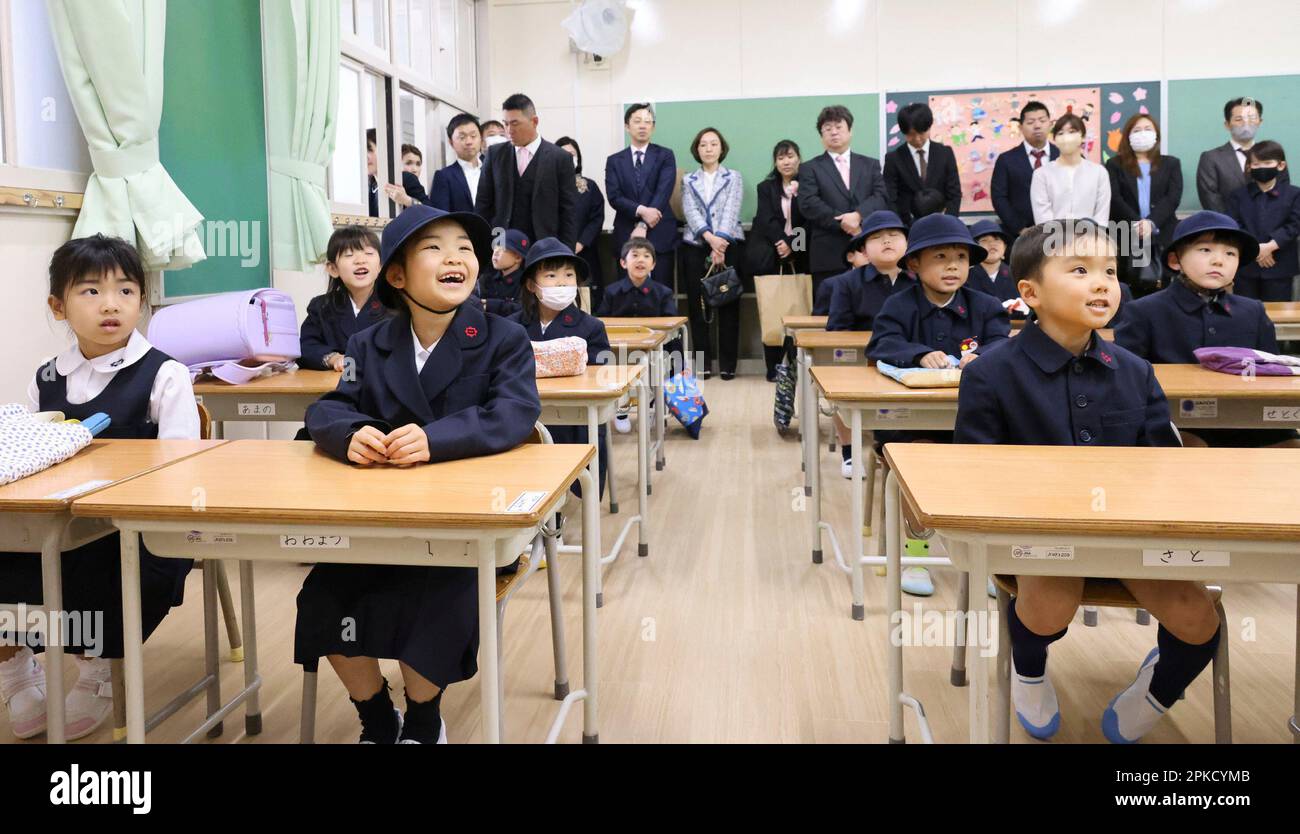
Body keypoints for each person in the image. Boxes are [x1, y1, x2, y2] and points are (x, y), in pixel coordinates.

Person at [956, 219, 1221, 744]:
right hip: (1039, 535)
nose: (1103, 283)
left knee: (1198, 619)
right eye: (1080, 270)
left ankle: (1158, 690)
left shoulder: (1135, 370)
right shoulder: (989, 372)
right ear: (1029, 292)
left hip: (1131, 534)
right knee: (1050, 604)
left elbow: (1165, 465)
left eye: (1110, 271)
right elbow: (975, 474)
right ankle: (1028, 668)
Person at [300, 205, 541, 744]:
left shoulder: (504, 338)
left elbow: (514, 413)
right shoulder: (369, 344)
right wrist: (351, 432)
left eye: (465, 248)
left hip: (461, 528)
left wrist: (437, 439)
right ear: (397, 275)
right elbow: (331, 407)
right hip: (379, 524)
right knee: (323, 602)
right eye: (434, 247)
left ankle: (426, 721)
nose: (455, 256)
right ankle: (377, 719)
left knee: (430, 607)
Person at [0, 234, 199, 741]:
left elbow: (181, 471)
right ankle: (16, 670)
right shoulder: (46, 376)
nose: (111, 304)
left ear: (142, 300)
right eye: (90, 292)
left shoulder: (165, 374)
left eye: (126, 291)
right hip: (58, 523)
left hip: (135, 528)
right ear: (57, 306)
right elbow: (31, 453)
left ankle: (95, 675)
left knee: (106, 568)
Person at [866, 214, 1011, 596]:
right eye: (941, 257)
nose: (952, 266)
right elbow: (881, 345)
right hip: (911, 422)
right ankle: (916, 553)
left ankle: (983, 558)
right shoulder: (898, 306)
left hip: (976, 419)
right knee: (920, 463)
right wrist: (919, 353)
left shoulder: (985, 305)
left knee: (990, 464)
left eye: (961, 258)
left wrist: (982, 355)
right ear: (914, 264)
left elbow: (1004, 342)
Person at [1116, 211, 1300, 447]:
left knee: (1290, 451)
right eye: (1205, 250)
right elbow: (1126, 381)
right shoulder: (1144, 311)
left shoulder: (1252, 311)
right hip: (1175, 420)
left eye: (1230, 253)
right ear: (1175, 260)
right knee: (1193, 448)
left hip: (1247, 421)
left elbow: (1273, 373)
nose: (1219, 260)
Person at [508, 238, 611, 495]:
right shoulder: (512, 327)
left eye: (569, 275)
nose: (563, 282)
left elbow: (601, 377)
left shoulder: (591, 327)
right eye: (552, 275)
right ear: (532, 285)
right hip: (526, 412)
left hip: (574, 416)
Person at [797, 104, 889, 298]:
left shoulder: (870, 164)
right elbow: (808, 203)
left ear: (850, 130)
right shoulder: (809, 168)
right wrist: (845, 223)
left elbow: (881, 197)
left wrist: (858, 216)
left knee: (871, 309)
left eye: (838, 127)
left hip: (868, 248)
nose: (834, 132)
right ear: (821, 135)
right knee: (830, 314)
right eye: (827, 128)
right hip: (828, 253)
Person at [680, 127, 745, 380]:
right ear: (697, 150)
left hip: (729, 245)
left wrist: (721, 244)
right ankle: (703, 364)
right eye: (703, 145)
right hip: (696, 245)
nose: (708, 149)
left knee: (729, 304)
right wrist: (709, 238)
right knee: (698, 306)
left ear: (722, 148)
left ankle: (728, 365)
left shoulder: (734, 177)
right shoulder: (688, 180)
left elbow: (732, 209)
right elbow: (690, 211)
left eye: (713, 144)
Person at [475, 93, 580, 247]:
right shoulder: (495, 154)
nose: (509, 130)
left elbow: (568, 211)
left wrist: (565, 252)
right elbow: (483, 204)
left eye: (515, 123)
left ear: (534, 121)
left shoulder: (560, 158)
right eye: (506, 123)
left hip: (544, 243)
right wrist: (483, 245)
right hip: (502, 244)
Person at [1106, 114, 1183, 293]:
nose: (1143, 133)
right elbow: (1115, 198)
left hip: (1162, 234)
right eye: (1137, 130)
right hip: (1126, 234)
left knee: (1162, 290)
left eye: (1148, 129)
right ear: (1128, 135)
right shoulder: (1114, 164)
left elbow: (1173, 197)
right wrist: (1138, 223)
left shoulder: (1171, 163)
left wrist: (1151, 222)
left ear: (1156, 134)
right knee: (1127, 289)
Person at [750, 139, 807, 379]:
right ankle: (773, 367)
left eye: (790, 156)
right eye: (781, 157)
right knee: (772, 309)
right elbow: (765, 218)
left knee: (800, 309)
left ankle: (797, 365)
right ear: (775, 161)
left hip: (802, 250)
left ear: (799, 158)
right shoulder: (766, 187)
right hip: (772, 252)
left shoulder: (808, 184)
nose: (786, 161)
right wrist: (782, 242)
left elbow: (808, 219)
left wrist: (793, 246)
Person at [605, 103, 679, 289]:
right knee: (627, 295)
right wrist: (641, 211)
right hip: (627, 234)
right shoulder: (614, 160)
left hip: (659, 233)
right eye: (637, 121)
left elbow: (664, 191)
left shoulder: (665, 155)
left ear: (653, 127)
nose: (643, 125)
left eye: (648, 122)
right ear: (627, 126)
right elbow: (614, 196)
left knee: (663, 292)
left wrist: (643, 224)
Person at [300, 226, 390, 371]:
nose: (360, 260)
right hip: (337, 386)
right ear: (333, 269)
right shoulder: (321, 307)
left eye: (368, 253)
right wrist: (332, 358)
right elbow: (305, 347)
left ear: (380, 266)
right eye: (349, 255)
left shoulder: (396, 304)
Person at [1226, 140, 1300, 301]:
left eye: (1267, 163)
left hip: (1279, 264)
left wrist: (1270, 246)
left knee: (1277, 315)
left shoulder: (1294, 194)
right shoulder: (1237, 196)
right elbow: (1234, 225)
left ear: (1280, 165)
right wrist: (1257, 249)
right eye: (1256, 164)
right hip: (1246, 264)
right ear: (1249, 167)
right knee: (1245, 312)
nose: (1262, 168)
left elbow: (1294, 225)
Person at [1196, 97, 1289, 214]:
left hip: (1270, 227)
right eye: (1239, 119)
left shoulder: (1274, 154)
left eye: (1252, 118)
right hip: (1229, 228)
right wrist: (1232, 227)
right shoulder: (1211, 158)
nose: (1246, 124)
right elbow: (1210, 199)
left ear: (1260, 122)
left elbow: (1284, 193)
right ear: (1227, 124)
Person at [884, 103, 962, 223]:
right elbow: (891, 198)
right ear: (903, 132)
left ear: (929, 127)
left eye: (921, 133)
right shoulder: (893, 158)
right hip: (908, 226)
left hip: (943, 223)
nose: (917, 139)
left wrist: (948, 221)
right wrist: (906, 225)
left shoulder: (945, 153)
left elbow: (954, 193)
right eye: (911, 134)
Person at [990, 101, 1059, 237]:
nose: (1037, 125)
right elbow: (999, 198)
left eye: (1042, 120)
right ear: (1021, 127)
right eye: (1031, 122)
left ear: (1050, 124)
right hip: (1020, 236)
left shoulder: (1064, 156)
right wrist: (1020, 229)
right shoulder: (1006, 160)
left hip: (1062, 234)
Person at [555, 136, 608, 310]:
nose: (568, 158)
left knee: (589, 299)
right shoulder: (545, 187)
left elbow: (597, 217)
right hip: (555, 253)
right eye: (563, 154)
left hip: (585, 253)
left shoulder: (589, 187)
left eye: (572, 154)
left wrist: (581, 243)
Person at [1030, 113, 1110, 225]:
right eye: (1060, 133)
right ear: (1054, 139)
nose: (1066, 137)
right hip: (1052, 240)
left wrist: (1089, 239)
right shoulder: (1041, 174)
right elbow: (1042, 217)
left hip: (1090, 239)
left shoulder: (1099, 172)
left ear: (1082, 136)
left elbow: (1101, 215)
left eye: (1072, 132)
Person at [429, 113, 483, 214]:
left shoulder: (493, 170)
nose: (469, 141)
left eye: (473, 136)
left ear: (481, 138)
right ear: (451, 142)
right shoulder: (443, 176)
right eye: (462, 137)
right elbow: (441, 216)